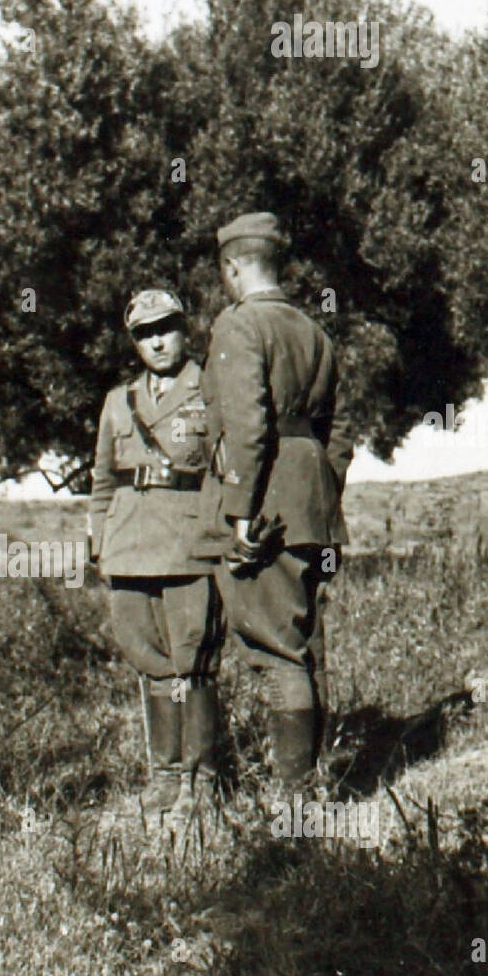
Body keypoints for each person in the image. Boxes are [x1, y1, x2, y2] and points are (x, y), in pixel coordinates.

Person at [201, 212, 353, 789]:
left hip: (262, 506)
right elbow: (338, 433)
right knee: (306, 643)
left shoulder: (238, 327)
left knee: (276, 649)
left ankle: (294, 805)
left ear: (233, 267)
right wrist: (321, 493)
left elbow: (246, 426)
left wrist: (239, 512)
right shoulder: (315, 332)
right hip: (310, 507)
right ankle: (312, 789)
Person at [88, 288, 228, 837]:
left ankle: (204, 779)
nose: (157, 341)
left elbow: (226, 469)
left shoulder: (209, 390)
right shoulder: (118, 402)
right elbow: (103, 479)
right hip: (130, 545)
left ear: (183, 329)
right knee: (149, 660)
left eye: (165, 328)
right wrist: (101, 541)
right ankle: (165, 775)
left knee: (194, 662)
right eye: (145, 333)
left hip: (189, 543)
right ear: (135, 342)